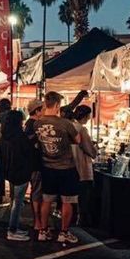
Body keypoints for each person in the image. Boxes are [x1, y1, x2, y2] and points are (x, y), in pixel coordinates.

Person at [33, 91, 81, 244]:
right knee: (67, 201)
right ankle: (64, 232)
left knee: (47, 199)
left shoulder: (37, 123)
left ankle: (43, 230)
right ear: (58, 105)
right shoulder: (65, 123)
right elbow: (78, 140)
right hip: (66, 167)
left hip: (47, 166)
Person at [0, 109, 33, 241]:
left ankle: (14, 227)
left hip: (10, 172)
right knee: (17, 203)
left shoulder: (5, 136)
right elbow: (27, 153)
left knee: (15, 201)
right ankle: (12, 229)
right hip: (21, 173)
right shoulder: (20, 137)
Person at [71, 105, 97, 226]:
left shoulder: (70, 126)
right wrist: (94, 151)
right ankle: (82, 220)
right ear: (86, 116)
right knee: (83, 196)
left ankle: (72, 218)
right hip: (81, 166)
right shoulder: (81, 129)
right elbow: (89, 149)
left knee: (72, 196)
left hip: (71, 165)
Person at [24, 98, 44, 234]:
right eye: (42, 109)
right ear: (37, 111)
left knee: (36, 193)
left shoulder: (29, 124)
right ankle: (38, 221)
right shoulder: (33, 125)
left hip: (32, 164)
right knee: (37, 193)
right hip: (36, 164)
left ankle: (38, 220)